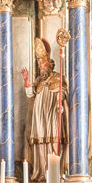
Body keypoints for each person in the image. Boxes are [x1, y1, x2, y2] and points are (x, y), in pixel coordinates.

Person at [23, 37, 66, 175]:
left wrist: (60, 101)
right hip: (39, 117)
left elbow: (63, 91)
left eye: (44, 64)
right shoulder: (38, 81)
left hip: (52, 114)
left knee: (53, 139)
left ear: (50, 64)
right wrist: (26, 82)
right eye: (39, 64)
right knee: (39, 142)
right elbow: (31, 95)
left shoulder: (58, 78)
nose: (41, 67)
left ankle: (54, 172)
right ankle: (41, 171)